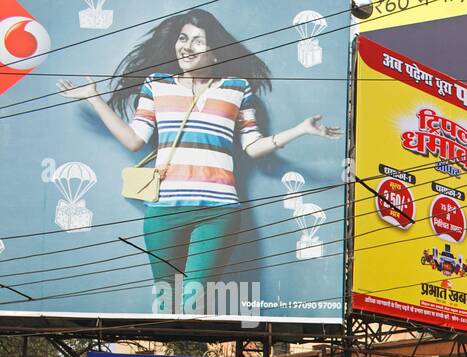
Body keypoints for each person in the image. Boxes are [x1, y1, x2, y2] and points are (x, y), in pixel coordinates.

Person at [56, 9, 341, 308]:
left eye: (198, 41)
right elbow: (134, 139)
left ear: (216, 54)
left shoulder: (236, 88)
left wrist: (301, 129)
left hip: (218, 212)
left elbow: (253, 146)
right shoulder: (156, 85)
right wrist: (93, 97)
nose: (187, 46)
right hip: (164, 210)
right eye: (183, 38)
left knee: (194, 303)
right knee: (165, 302)